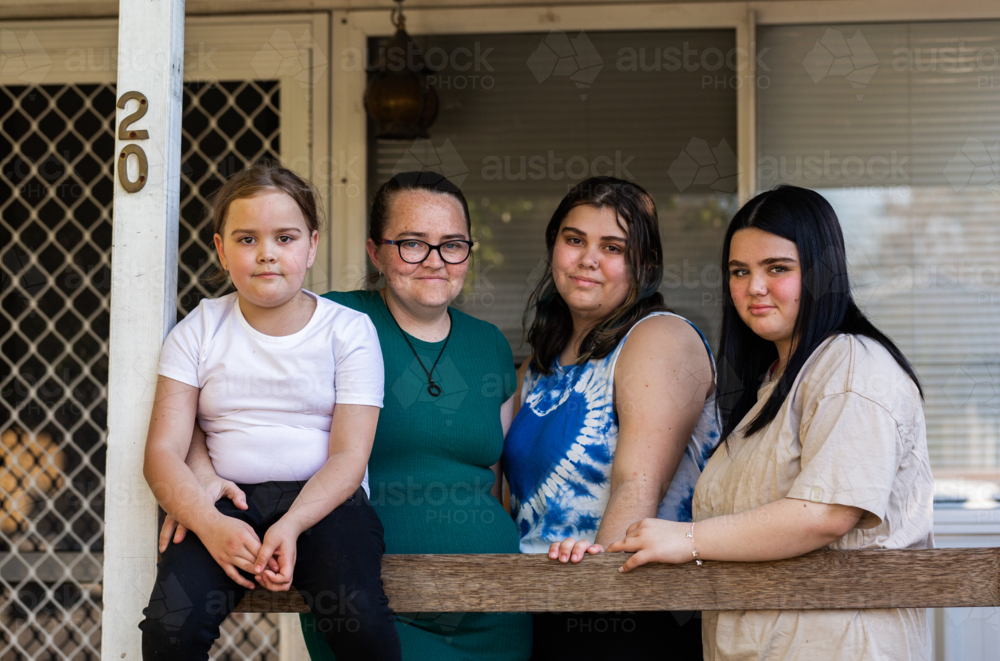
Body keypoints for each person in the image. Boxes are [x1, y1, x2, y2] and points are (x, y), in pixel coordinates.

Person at [164, 171, 532, 660]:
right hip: (369, 600)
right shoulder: (328, 322)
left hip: (494, 601)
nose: (435, 260)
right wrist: (199, 483)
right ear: (375, 252)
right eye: (412, 244)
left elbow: (496, 478)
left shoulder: (489, 345)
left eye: (452, 244)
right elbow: (219, 397)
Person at [609, 185, 934, 661]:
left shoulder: (851, 365)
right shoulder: (770, 383)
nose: (753, 288)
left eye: (777, 268)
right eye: (740, 272)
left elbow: (826, 513)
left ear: (821, 273)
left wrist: (686, 539)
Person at [138, 163, 401, 661]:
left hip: (326, 505)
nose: (266, 254)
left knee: (359, 619)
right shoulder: (198, 329)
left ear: (312, 245)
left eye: (285, 237)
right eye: (246, 239)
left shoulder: (348, 331)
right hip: (225, 504)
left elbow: (350, 456)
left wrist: (294, 523)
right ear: (221, 249)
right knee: (169, 629)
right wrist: (205, 520)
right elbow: (161, 451)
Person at [502, 176, 721, 657]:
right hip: (543, 604)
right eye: (574, 239)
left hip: (628, 611)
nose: (588, 259)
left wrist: (595, 602)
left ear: (644, 264)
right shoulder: (541, 362)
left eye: (613, 247)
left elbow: (638, 487)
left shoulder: (659, 337)